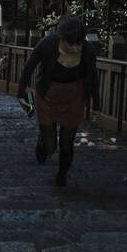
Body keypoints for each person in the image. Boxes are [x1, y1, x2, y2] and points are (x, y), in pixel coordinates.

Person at [17, 15, 99, 187]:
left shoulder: (88, 51)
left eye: (78, 43)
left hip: (74, 97)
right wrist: (21, 93)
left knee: (67, 142)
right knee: (51, 146)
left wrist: (95, 103)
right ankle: (43, 142)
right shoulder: (48, 44)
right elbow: (29, 67)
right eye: (71, 43)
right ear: (62, 38)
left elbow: (92, 76)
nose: (75, 48)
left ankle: (62, 174)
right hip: (48, 95)